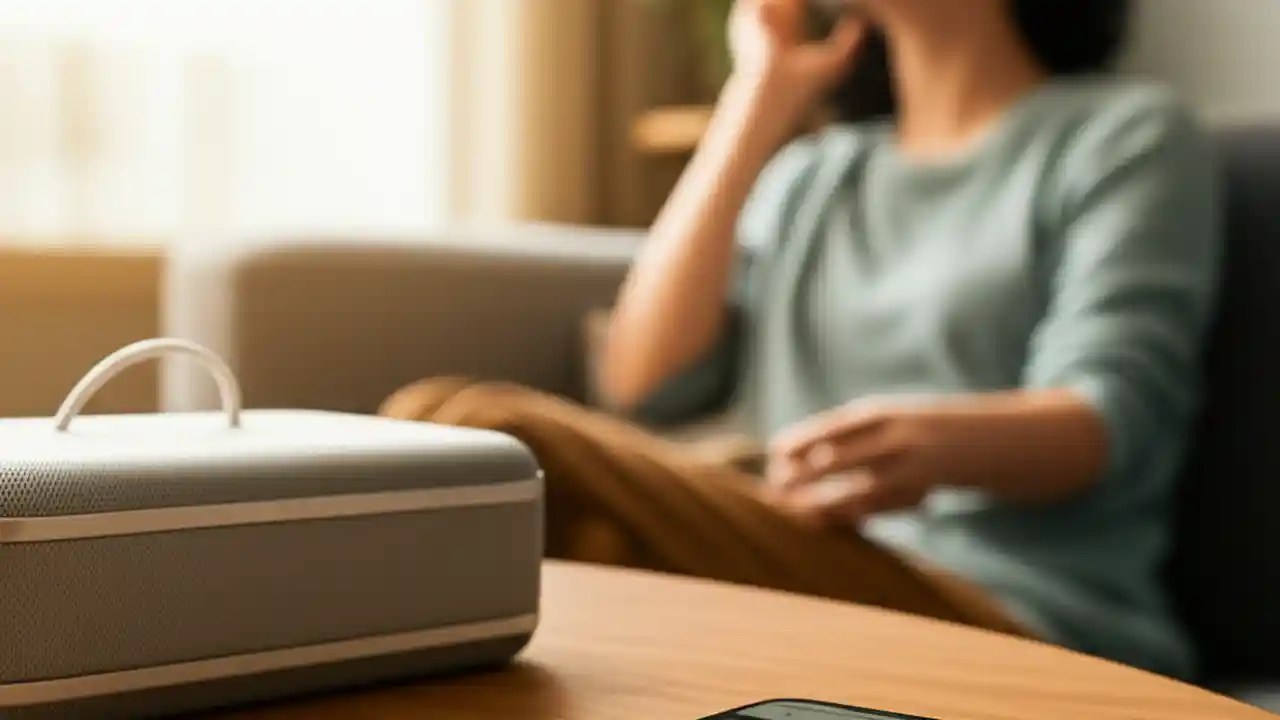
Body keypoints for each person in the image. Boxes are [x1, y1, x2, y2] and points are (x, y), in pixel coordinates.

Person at [383, 0, 1220, 678]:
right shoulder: (817, 173)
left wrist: (931, 445)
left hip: (1000, 605)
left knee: (487, 439)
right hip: (777, 556)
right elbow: (644, 380)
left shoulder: (1123, 134)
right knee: (448, 445)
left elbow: (1113, 419)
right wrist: (756, 104)